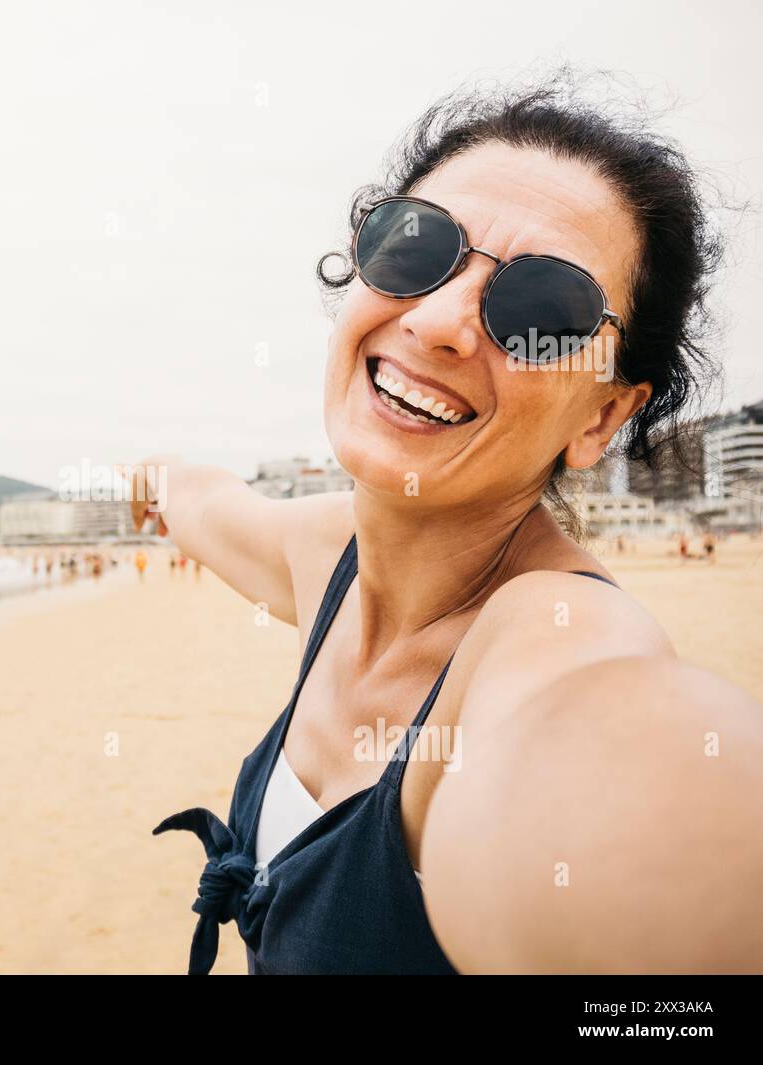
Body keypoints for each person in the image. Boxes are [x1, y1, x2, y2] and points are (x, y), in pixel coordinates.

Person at [136, 78, 763, 975]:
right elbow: (203, 501)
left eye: (544, 310)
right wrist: (147, 479)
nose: (437, 323)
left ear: (600, 419)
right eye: (415, 247)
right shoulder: (327, 558)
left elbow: (631, 798)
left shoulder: (551, 637)